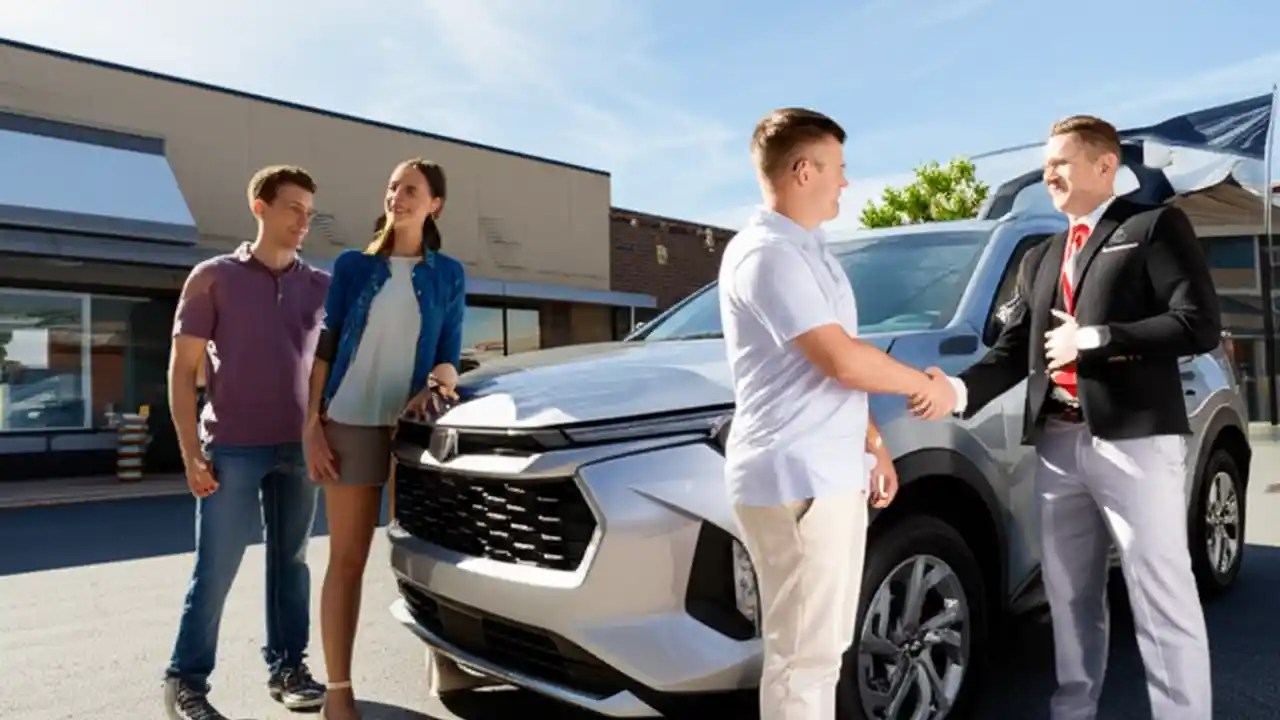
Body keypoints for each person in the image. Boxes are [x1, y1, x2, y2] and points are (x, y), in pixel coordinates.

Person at [913, 115, 1221, 719]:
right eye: (1046, 162)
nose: (1047, 173)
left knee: (1162, 596)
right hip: (1056, 445)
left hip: (1135, 440)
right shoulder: (1042, 255)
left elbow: (1198, 324)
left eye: (1061, 162)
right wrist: (954, 389)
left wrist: (1098, 338)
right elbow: (1010, 351)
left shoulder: (1153, 227)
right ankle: (1073, 711)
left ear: (1105, 165)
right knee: (1070, 596)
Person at [717, 107, 956, 720]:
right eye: (838, 169)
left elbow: (822, 373)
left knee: (819, 653)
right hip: (798, 481)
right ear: (802, 171)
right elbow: (838, 360)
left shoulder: (809, 252)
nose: (846, 183)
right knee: (804, 660)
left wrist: (873, 444)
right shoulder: (767, 255)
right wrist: (924, 387)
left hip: (824, 473)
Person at [164, 165, 331, 719]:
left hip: (297, 449)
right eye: (292, 208)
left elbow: (329, 371)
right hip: (232, 447)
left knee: (292, 561)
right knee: (215, 567)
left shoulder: (320, 286)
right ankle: (185, 682)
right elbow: (182, 369)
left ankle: (288, 667)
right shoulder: (213, 277)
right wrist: (190, 452)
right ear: (259, 207)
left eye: (310, 212)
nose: (303, 221)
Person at [304, 158, 465, 720]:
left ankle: (446, 658)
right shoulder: (352, 267)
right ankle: (339, 690)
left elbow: (449, 357)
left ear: (434, 204)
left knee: (422, 559)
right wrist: (312, 425)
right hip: (347, 421)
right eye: (393, 186)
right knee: (346, 561)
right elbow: (324, 351)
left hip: (410, 435)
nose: (398, 195)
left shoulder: (448, 274)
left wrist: (435, 388)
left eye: (412, 189)